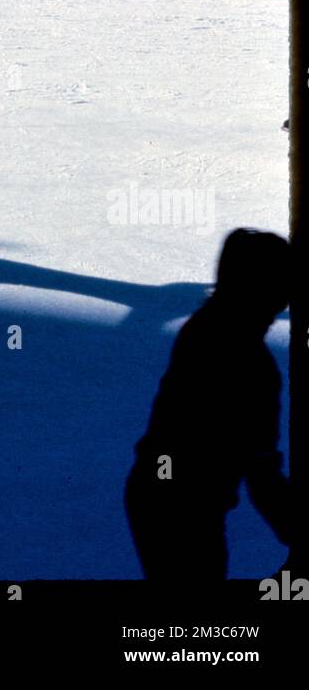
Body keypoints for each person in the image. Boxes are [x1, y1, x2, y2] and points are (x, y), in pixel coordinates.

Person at [125, 229, 290, 584]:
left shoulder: (202, 328)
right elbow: (262, 474)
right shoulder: (253, 368)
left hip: (154, 496)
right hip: (184, 510)